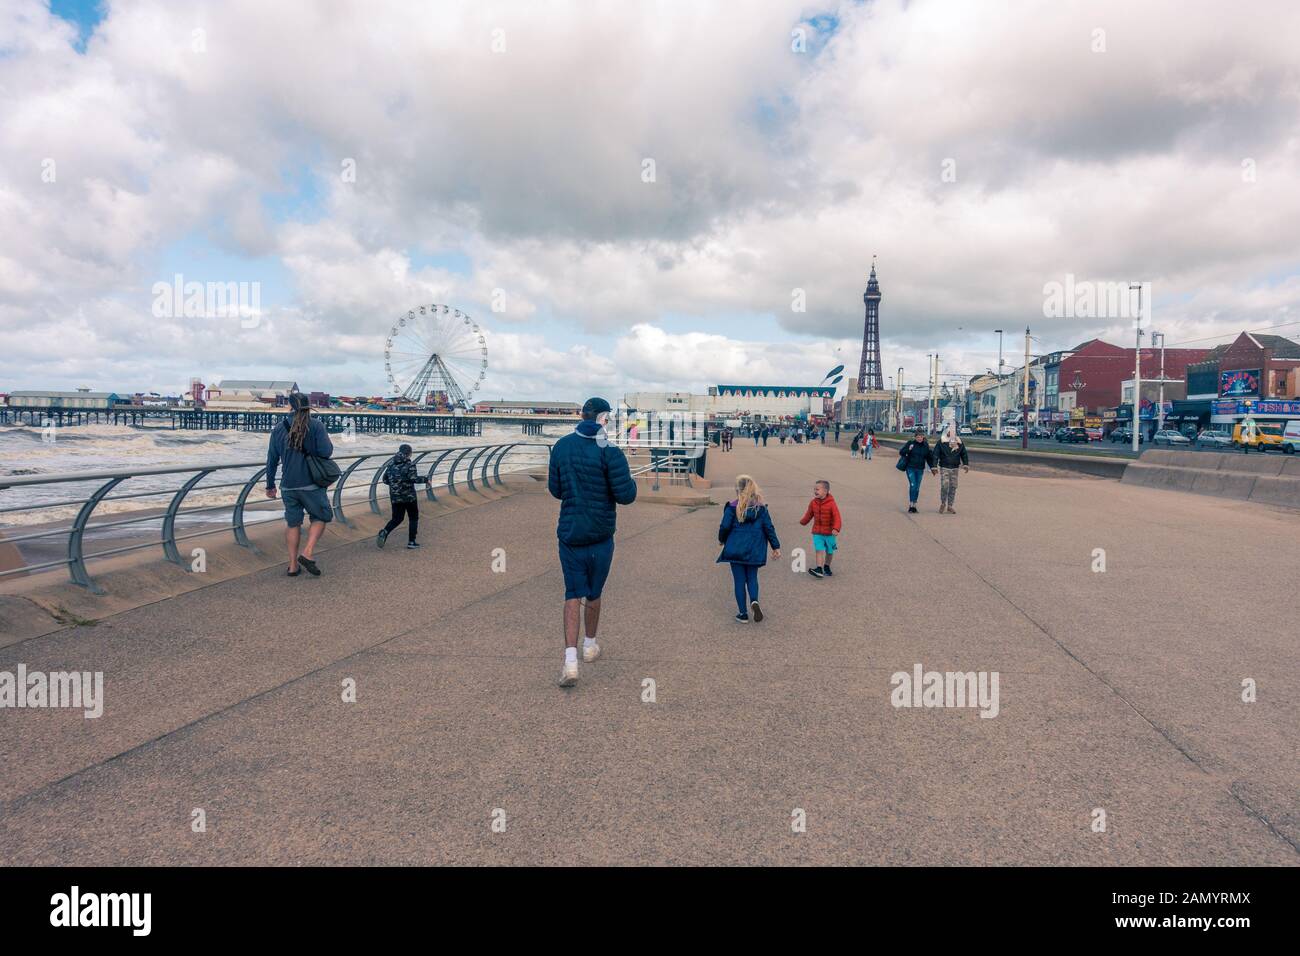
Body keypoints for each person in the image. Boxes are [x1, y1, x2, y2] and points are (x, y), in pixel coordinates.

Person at [548, 396, 637, 687]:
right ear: (602, 418)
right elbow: (626, 496)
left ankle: (570, 662)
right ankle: (590, 645)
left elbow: (556, 490)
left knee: (572, 593)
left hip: (571, 531)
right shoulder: (610, 452)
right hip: (600, 533)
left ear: (581, 415)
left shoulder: (561, 447)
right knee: (594, 592)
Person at [265, 391, 334, 576]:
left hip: (288, 485)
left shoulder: (279, 428)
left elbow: (272, 459)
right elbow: (326, 452)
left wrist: (269, 485)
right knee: (321, 517)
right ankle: (308, 552)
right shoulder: (316, 425)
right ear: (307, 405)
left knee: (293, 523)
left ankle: (293, 566)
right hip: (311, 484)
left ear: (290, 405)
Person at [717, 475, 780, 623]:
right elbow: (769, 527)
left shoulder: (732, 507)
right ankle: (754, 601)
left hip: (735, 548)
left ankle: (743, 613)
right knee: (752, 578)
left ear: (737, 490)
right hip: (754, 549)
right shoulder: (761, 508)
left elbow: (725, 526)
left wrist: (721, 539)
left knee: (739, 581)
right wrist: (775, 546)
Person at [377, 443, 428, 548]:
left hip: (395, 497)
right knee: (413, 517)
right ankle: (411, 542)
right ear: (409, 453)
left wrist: (396, 484)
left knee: (397, 518)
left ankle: (385, 531)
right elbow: (413, 479)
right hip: (409, 497)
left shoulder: (391, 464)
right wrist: (426, 479)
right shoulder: (410, 464)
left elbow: (385, 480)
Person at [800, 480, 842, 579]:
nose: (815, 491)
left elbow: (837, 517)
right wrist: (803, 521)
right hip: (817, 532)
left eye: (817, 489)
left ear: (825, 491)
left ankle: (826, 566)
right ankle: (819, 569)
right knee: (819, 550)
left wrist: (836, 528)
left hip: (829, 533)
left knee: (829, 551)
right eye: (814, 489)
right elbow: (809, 514)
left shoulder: (832, 504)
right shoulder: (813, 502)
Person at [898, 428, 937, 514]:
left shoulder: (925, 446)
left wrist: (933, 468)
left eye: (921, 436)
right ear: (915, 437)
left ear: (923, 437)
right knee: (913, 485)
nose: (919, 438)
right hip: (910, 468)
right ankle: (911, 505)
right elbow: (901, 452)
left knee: (917, 487)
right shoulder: (910, 444)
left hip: (920, 469)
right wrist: (909, 449)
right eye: (918, 437)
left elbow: (929, 458)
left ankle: (914, 505)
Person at [935, 423, 970, 514]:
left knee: (953, 486)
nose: (951, 434)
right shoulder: (941, 442)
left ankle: (950, 505)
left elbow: (964, 454)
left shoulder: (958, 442)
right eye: (950, 431)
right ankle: (943, 503)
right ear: (947, 431)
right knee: (945, 486)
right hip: (944, 467)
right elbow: (935, 454)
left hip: (955, 468)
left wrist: (965, 464)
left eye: (953, 432)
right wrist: (934, 466)